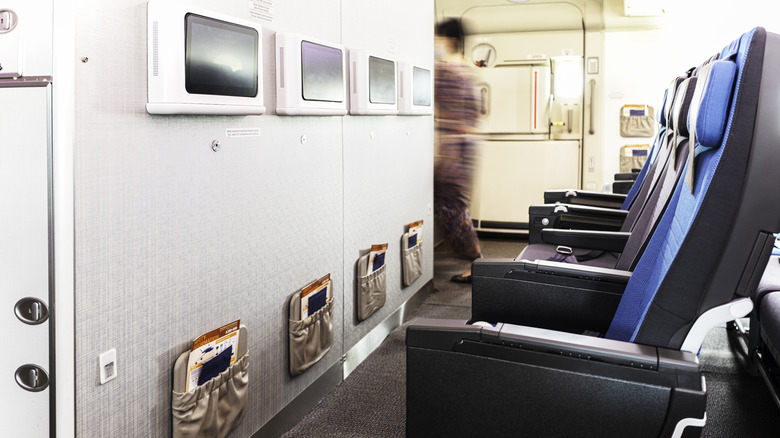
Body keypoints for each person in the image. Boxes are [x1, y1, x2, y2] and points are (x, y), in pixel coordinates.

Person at [434, 18, 482, 283]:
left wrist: (444, 153)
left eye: (437, 39)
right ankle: (473, 259)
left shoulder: (446, 70)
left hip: (454, 149)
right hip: (464, 147)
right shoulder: (466, 70)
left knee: (451, 206)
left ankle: (476, 261)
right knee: (454, 205)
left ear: (448, 40)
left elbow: (446, 116)